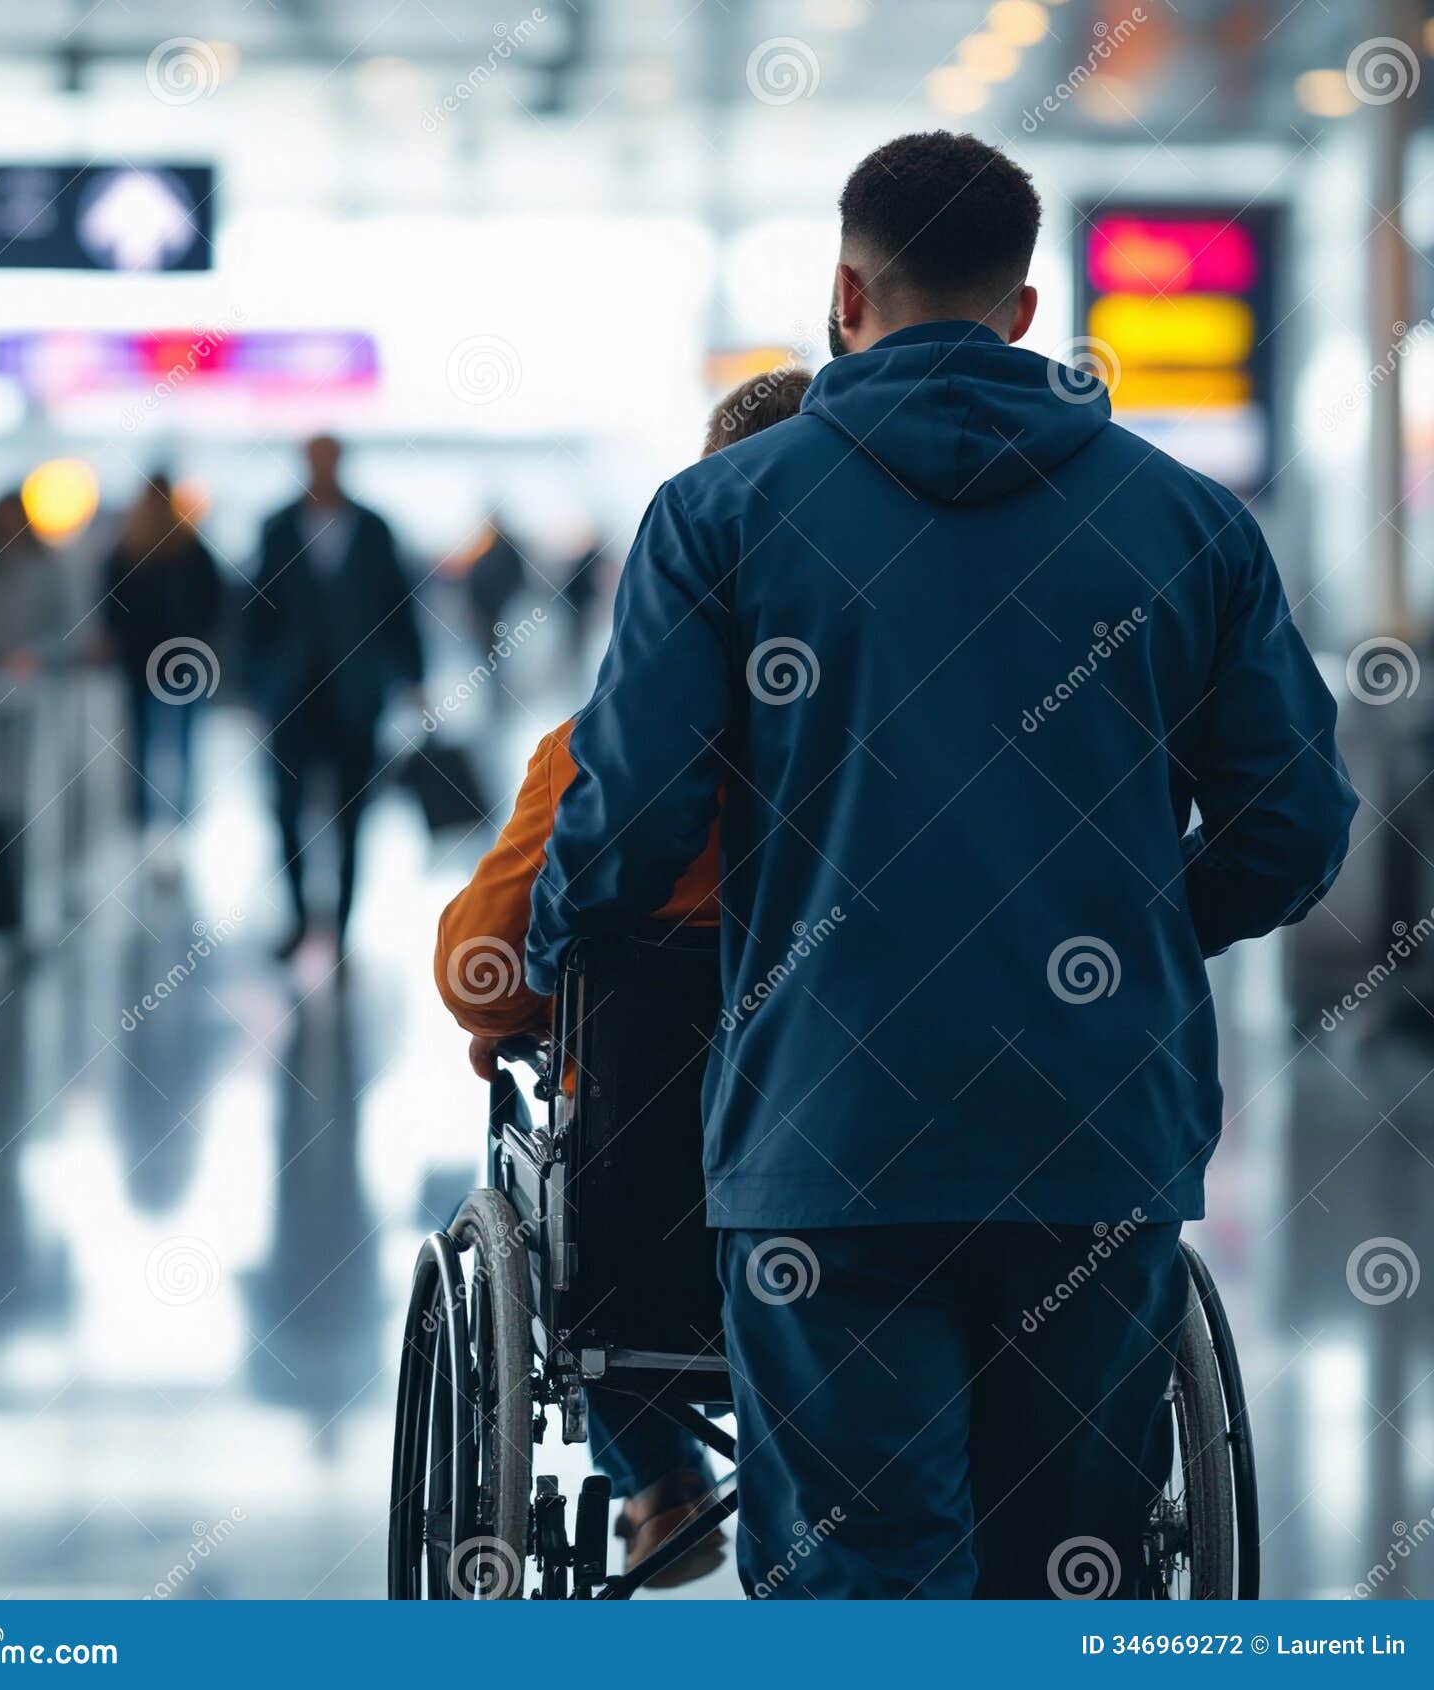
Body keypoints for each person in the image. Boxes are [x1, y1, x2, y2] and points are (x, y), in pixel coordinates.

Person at [524, 132, 1358, 1598]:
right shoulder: (1189, 524)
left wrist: (550, 947)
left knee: (867, 1587)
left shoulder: (720, 517)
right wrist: (1141, 923)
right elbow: (1294, 820)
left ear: (844, 289)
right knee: (1068, 1576)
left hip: (827, 1135)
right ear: (1026, 312)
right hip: (1096, 1128)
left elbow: (635, 816)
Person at [434, 366, 811, 1587]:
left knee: (585, 1176)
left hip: (661, 1225)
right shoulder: (908, 766)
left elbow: (481, 975)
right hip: (906, 1205)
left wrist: (540, 980)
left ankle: (656, 1473)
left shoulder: (591, 749)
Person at [248, 437, 424, 963]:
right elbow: (256, 609)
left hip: (356, 694)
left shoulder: (373, 529)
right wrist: (254, 684)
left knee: (352, 815)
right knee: (286, 810)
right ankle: (301, 918)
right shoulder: (278, 528)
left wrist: (412, 677)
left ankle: (342, 930)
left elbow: (400, 607)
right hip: (291, 694)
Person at [103, 474, 223, 842]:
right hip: (150, 660)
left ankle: (176, 819)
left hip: (180, 658)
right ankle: (145, 818)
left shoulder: (181, 548)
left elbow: (212, 601)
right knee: (145, 742)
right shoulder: (131, 549)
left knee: (177, 741)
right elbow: (112, 605)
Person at [0, 491, 70, 678]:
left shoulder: (47, 566)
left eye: (16, 521)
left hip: (38, 675)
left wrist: (37, 654)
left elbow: (64, 624)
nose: (11, 528)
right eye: (5, 524)